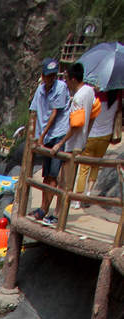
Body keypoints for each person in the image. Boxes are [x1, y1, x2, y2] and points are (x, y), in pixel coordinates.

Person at [30, 56, 70, 221]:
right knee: (46, 175)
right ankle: (43, 208)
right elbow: (33, 111)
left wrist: (42, 135)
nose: (51, 79)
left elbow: (54, 114)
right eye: (48, 76)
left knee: (53, 175)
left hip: (57, 133)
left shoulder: (61, 88)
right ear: (43, 75)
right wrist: (33, 134)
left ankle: (44, 210)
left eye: (54, 75)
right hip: (45, 135)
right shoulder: (40, 90)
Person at [77, 87, 121, 193]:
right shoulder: (117, 97)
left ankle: (78, 197)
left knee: (84, 167)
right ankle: (89, 193)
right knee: (96, 164)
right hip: (106, 135)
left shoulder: (97, 96)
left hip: (91, 135)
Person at [64, 61, 98, 193]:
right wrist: (87, 132)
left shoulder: (78, 97)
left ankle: (60, 212)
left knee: (66, 182)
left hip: (73, 144)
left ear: (73, 79)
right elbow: (95, 112)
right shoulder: (90, 91)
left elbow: (75, 125)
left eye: (67, 80)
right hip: (81, 141)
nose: (66, 83)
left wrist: (61, 142)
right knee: (71, 180)